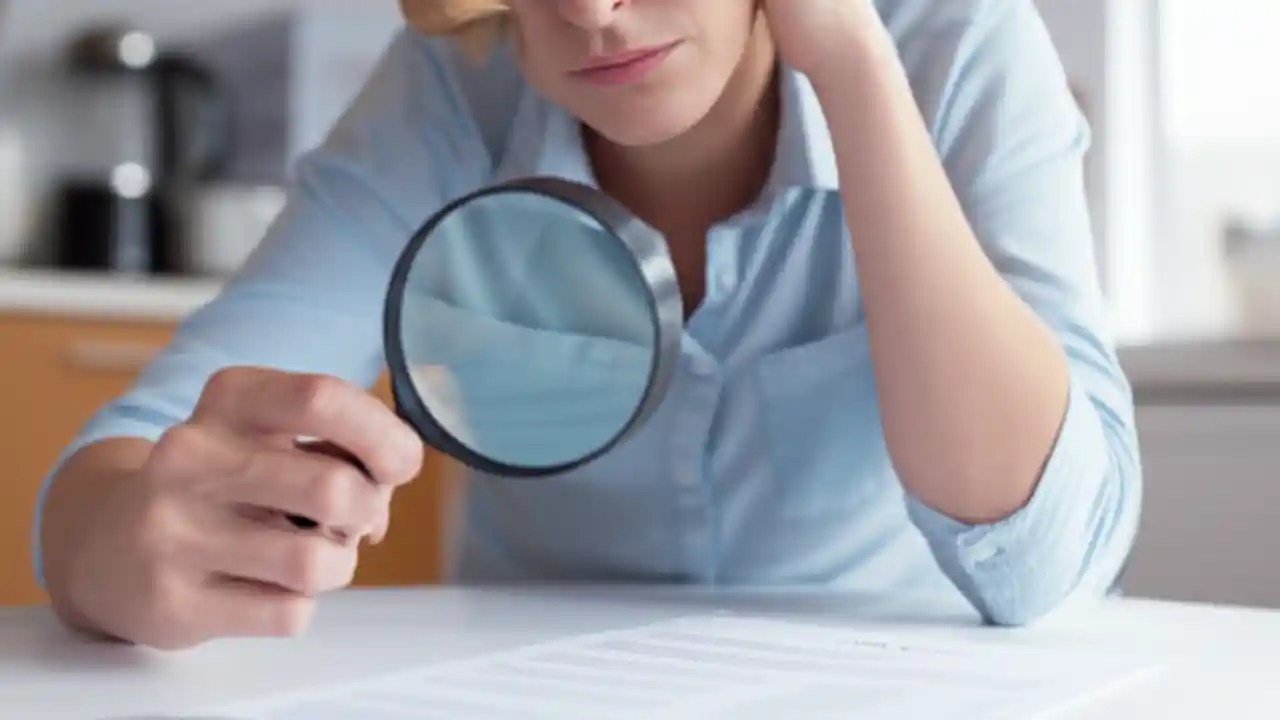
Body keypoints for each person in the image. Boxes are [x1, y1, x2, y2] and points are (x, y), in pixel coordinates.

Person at [35, 0, 1142, 650]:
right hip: (539, 679)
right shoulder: (451, 88)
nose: (593, 8)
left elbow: (1041, 563)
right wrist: (115, 553)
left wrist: (851, 65)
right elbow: (125, 455)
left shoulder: (953, 41)